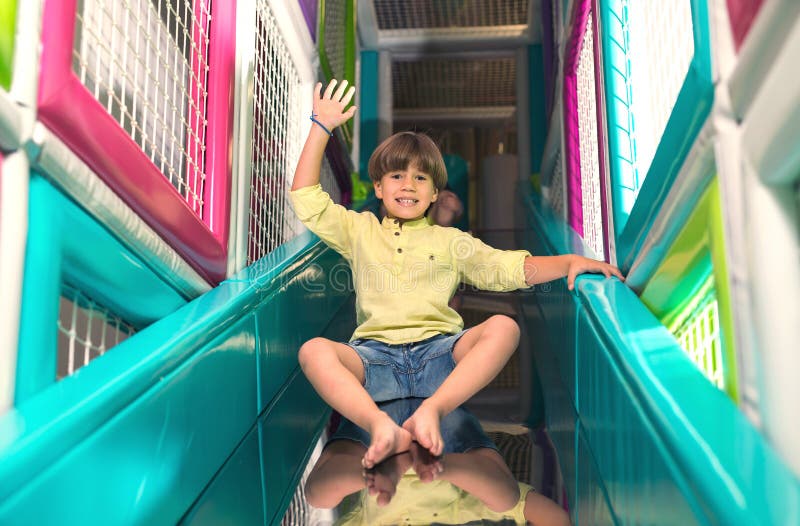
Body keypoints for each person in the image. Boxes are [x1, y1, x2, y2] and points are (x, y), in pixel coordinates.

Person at [290, 79, 623, 468]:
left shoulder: (450, 241)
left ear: (434, 194)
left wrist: (566, 262)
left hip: (439, 356)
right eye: (397, 176)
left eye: (421, 178)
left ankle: (433, 410)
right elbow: (307, 199)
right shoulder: (358, 230)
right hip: (374, 359)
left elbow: (505, 268)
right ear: (378, 187)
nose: (408, 185)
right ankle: (379, 426)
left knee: (504, 327)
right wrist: (321, 126)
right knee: (313, 352)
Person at [304, 398, 571, 526]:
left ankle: (378, 469)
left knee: (319, 495)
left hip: (377, 427)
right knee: (505, 497)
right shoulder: (456, 511)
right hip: (439, 430)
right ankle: (437, 464)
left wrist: (370, 472)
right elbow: (548, 514)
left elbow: (321, 488)